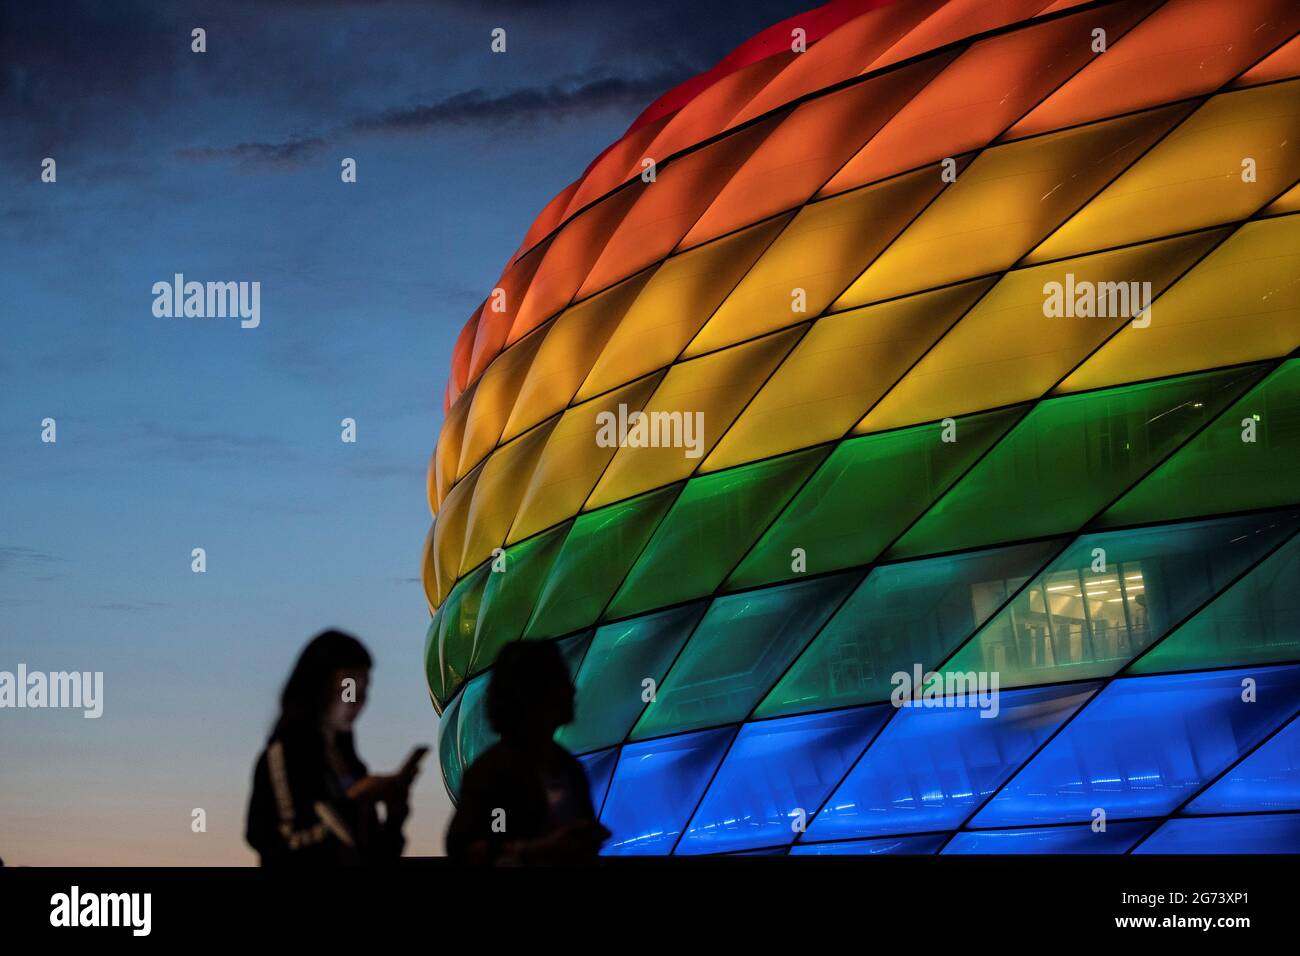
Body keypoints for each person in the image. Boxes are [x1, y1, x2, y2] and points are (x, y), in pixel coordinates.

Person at [246, 629, 427, 865]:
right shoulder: (282, 757)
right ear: (318, 686)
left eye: (363, 692)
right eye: (348, 690)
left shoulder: (351, 763)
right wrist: (356, 800)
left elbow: (375, 854)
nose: (358, 703)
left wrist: (395, 815)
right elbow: (284, 844)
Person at [446, 641, 610, 864]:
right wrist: (533, 850)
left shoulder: (569, 767)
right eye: (560, 680)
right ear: (533, 692)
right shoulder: (491, 772)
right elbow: (461, 848)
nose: (572, 689)